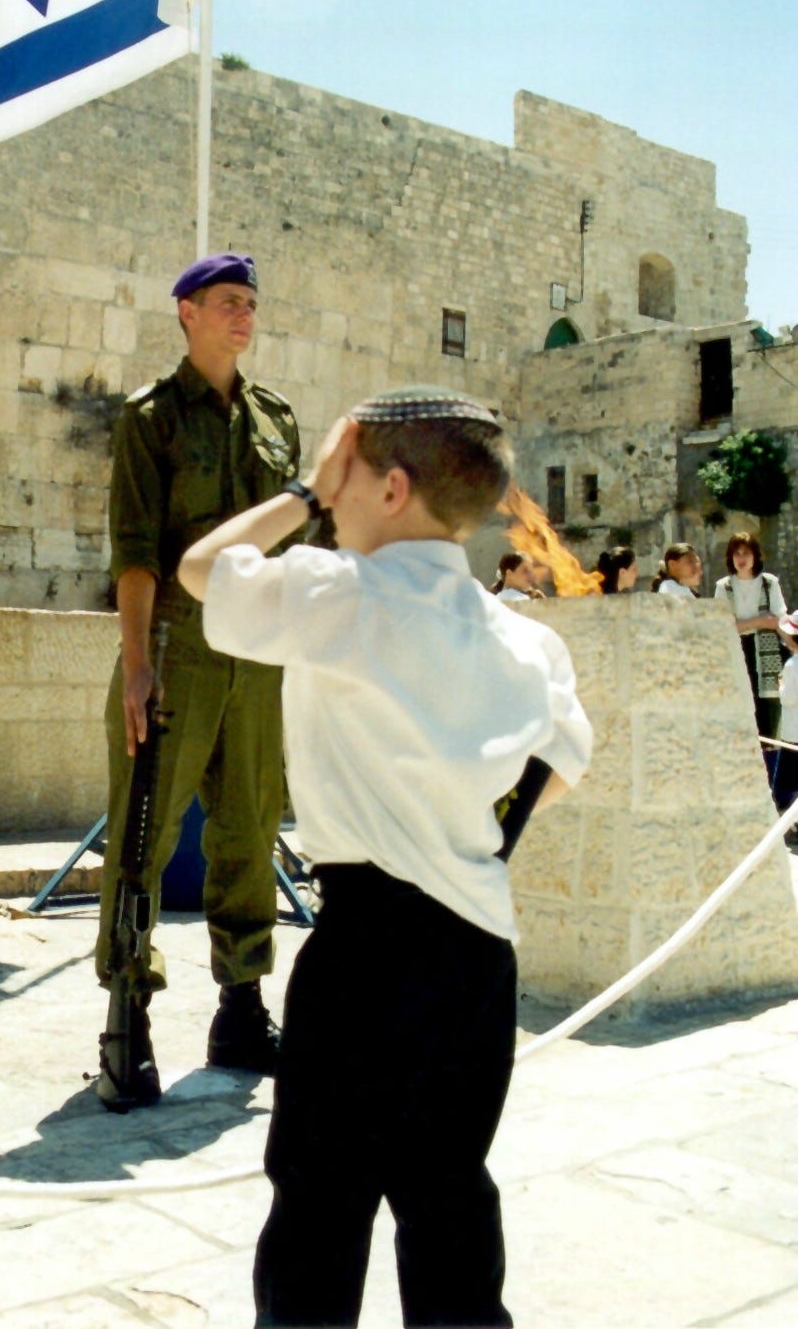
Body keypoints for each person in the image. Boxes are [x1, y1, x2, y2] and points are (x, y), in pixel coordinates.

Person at [179, 386, 593, 1328]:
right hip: (478, 951)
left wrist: (302, 494)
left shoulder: (340, 593)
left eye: (350, 474)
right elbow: (562, 761)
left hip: (365, 950)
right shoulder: (528, 643)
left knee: (320, 1211)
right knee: (450, 1202)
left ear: (392, 488)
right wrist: (459, 830)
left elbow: (206, 568)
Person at [94, 251, 301, 1110]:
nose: (243, 315)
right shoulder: (151, 418)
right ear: (187, 312)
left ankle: (242, 1009)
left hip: (257, 651)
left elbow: (299, 538)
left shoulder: (275, 417)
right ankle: (125, 1019)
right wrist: (138, 665)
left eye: (251, 302)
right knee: (145, 826)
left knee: (251, 826)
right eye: (227, 302)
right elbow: (136, 553)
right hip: (177, 649)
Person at [714, 531, 789, 805]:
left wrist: (749, 624)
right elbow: (722, 625)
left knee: (769, 722)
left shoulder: (769, 584)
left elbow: (780, 621)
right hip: (738, 656)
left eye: (746, 553)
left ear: (756, 556)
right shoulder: (725, 587)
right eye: (737, 553)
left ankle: (770, 785)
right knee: (742, 718)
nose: (741, 558)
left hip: (767, 659)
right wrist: (758, 621)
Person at [776, 611, 798, 840]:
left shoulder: (792, 665)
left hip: (794, 733)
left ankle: (789, 826)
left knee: (785, 782)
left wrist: (780, 685)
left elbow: (789, 698)